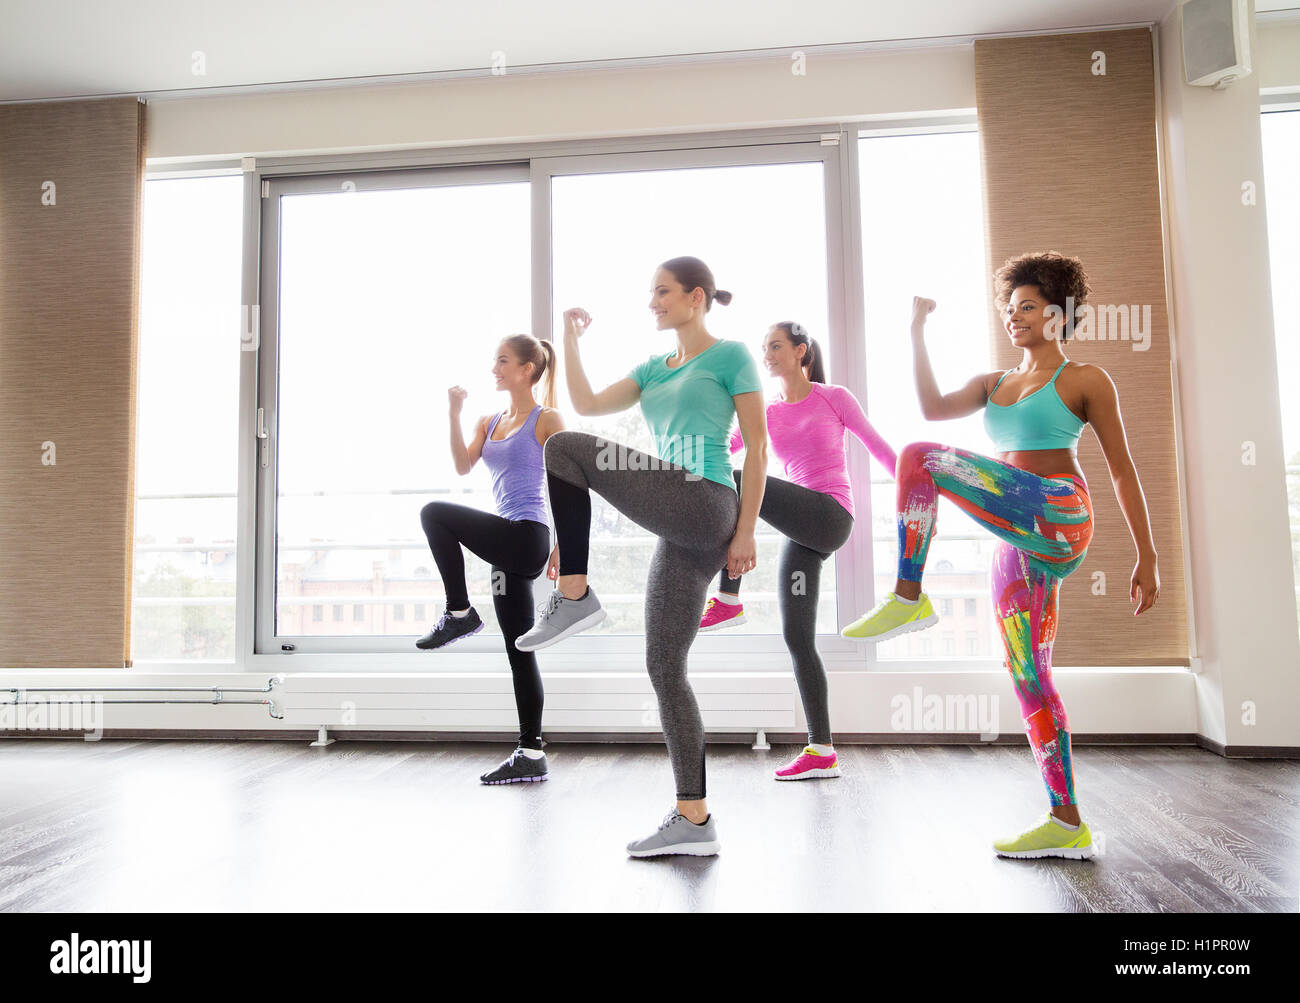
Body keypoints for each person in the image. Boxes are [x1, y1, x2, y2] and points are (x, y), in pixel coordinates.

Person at [842, 251, 1161, 859]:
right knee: (1026, 674)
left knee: (922, 457)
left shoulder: (1085, 379)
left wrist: (1146, 556)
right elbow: (934, 406)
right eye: (1010, 307)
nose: (1015, 316)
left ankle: (908, 597)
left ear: (1060, 315)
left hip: (1062, 512)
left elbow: (1122, 471)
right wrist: (915, 332)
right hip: (1020, 537)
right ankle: (1066, 821)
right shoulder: (995, 384)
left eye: (1030, 307)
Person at [514, 256, 767, 857]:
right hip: (679, 524)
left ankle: (574, 592)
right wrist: (571, 342)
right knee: (663, 665)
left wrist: (747, 532)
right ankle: (694, 818)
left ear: (696, 297)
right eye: (650, 293)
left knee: (565, 447)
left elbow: (757, 445)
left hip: (707, 500)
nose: (652, 301)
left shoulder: (730, 356)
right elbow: (590, 401)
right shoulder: (655, 367)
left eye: (662, 292)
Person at [700, 321, 896, 781]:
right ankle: (822, 749)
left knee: (739, 480)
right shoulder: (765, 412)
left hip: (829, 515)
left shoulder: (834, 397)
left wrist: (916, 486)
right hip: (802, 532)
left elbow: (877, 446)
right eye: (763, 347)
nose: (765, 354)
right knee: (797, 637)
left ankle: (728, 598)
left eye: (774, 346)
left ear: (800, 351)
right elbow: (721, 447)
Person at [417, 334, 563, 785]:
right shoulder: (490, 419)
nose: (494, 369)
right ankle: (531, 753)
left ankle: (459, 613)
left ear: (527, 370)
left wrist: (564, 546)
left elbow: (567, 483)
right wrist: (454, 414)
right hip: (506, 544)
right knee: (519, 648)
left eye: (503, 361)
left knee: (434, 514)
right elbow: (463, 464)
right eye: (494, 361)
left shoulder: (547, 418)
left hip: (529, 536)